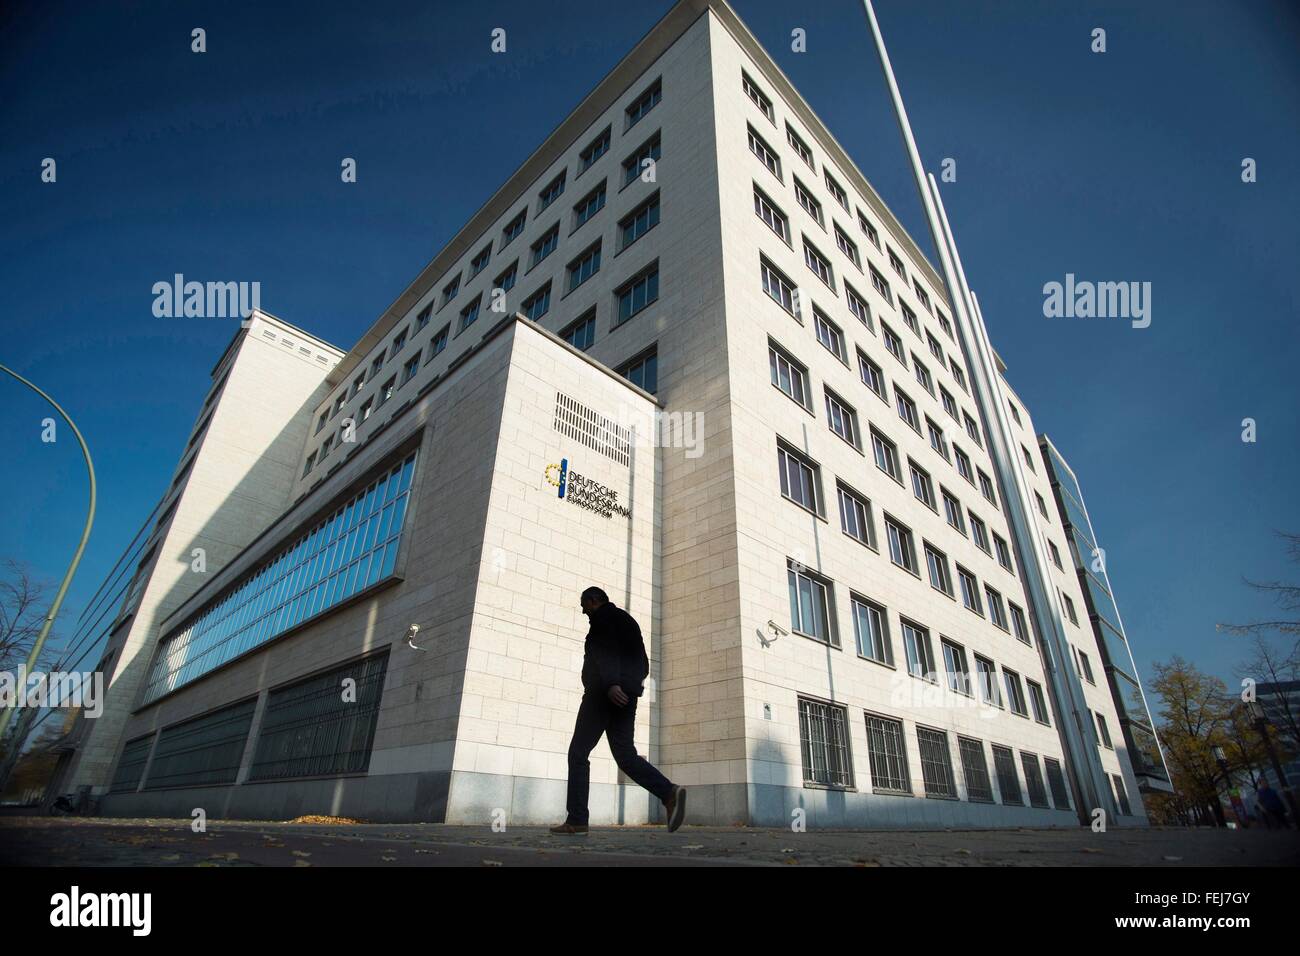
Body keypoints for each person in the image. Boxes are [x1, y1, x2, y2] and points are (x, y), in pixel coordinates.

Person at [550, 586, 686, 834]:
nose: (583, 611)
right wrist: (629, 687)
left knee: (578, 753)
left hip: (602, 694)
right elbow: (643, 663)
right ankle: (668, 792)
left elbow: (606, 652)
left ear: (594, 601)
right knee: (625, 756)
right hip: (626, 697)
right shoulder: (628, 621)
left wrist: (612, 683)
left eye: (584, 605)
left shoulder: (603, 619)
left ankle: (577, 820)